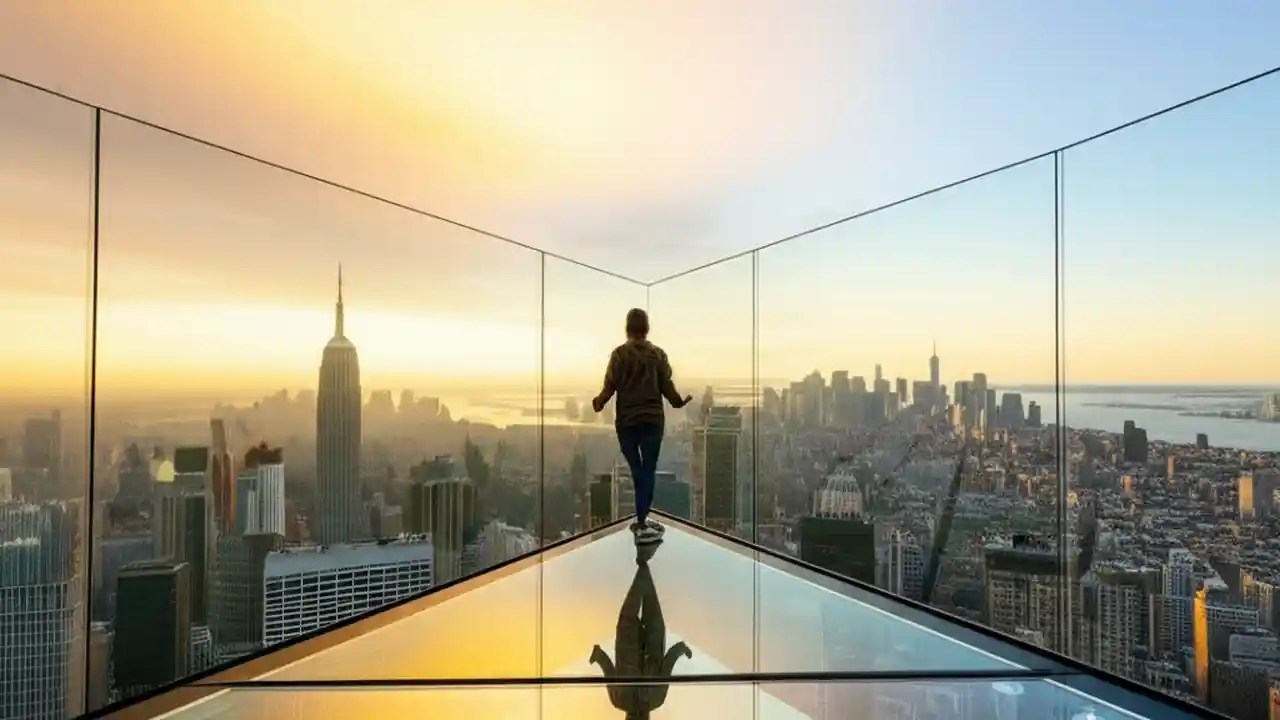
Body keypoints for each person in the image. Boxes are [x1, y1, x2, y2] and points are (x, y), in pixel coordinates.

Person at [592, 308, 691, 544]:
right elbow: (668, 389)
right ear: (646, 328)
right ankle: (642, 521)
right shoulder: (658, 355)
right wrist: (680, 402)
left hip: (627, 424)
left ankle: (642, 522)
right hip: (652, 423)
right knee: (648, 472)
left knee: (637, 472)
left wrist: (598, 403)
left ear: (627, 328)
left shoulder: (619, 355)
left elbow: (609, 388)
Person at [589, 542, 691, 718]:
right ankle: (644, 560)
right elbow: (666, 667)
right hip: (645, 641)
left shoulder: (651, 700)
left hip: (635, 641)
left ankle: (644, 560)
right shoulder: (626, 700)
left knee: (642, 596)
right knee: (644, 596)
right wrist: (598, 656)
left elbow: (609, 671)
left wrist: (679, 650)